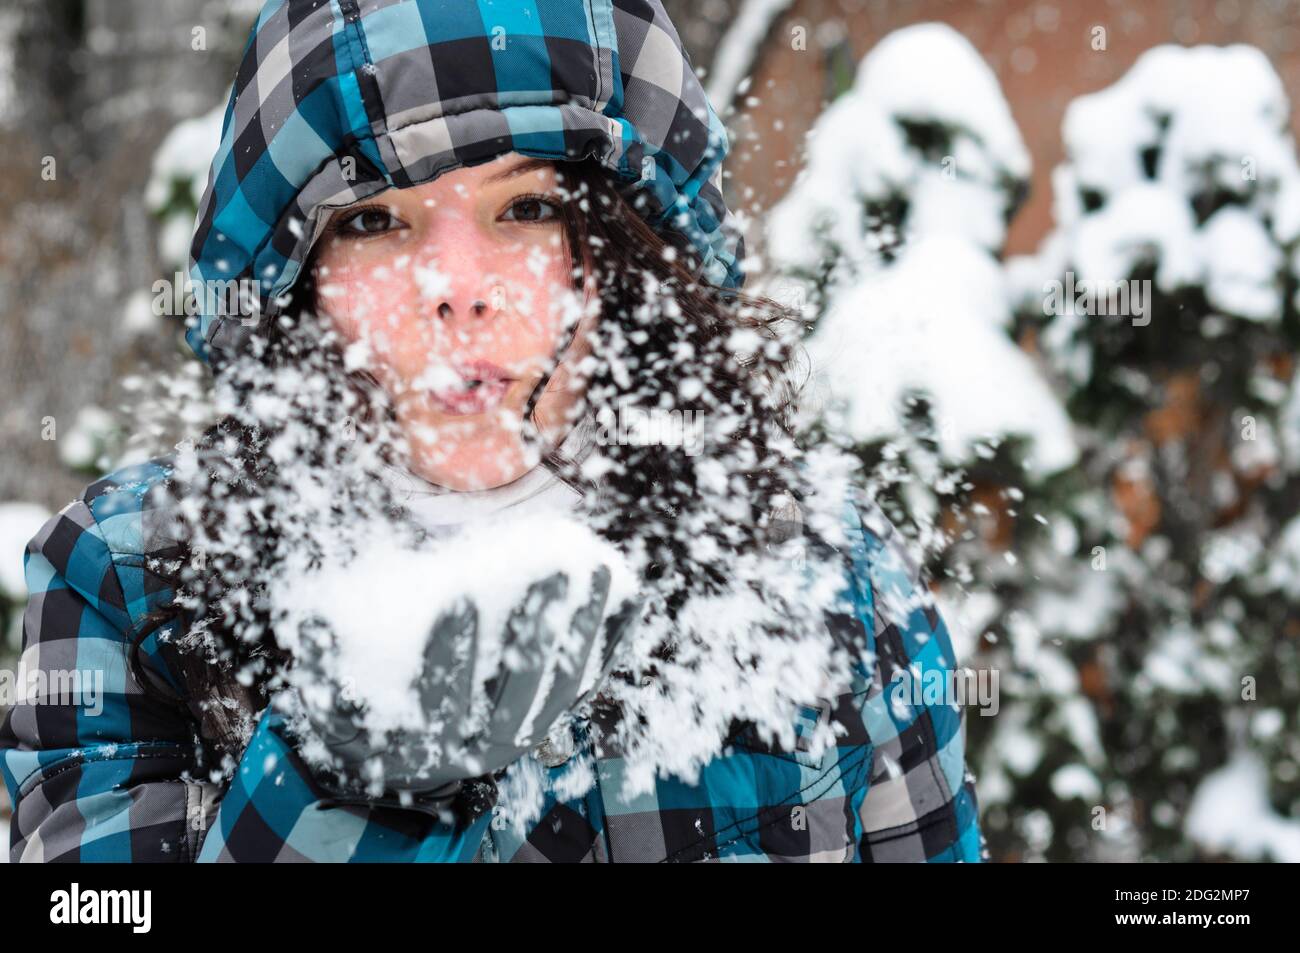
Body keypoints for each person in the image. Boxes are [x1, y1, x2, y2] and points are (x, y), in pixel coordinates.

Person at [0, 0, 983, 863]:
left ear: (634, 251)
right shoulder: (135, 584)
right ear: (293, 287)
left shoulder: (818, 574)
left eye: (525, 206)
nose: (458, 287)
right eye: (374, 222)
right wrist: (343, 792)